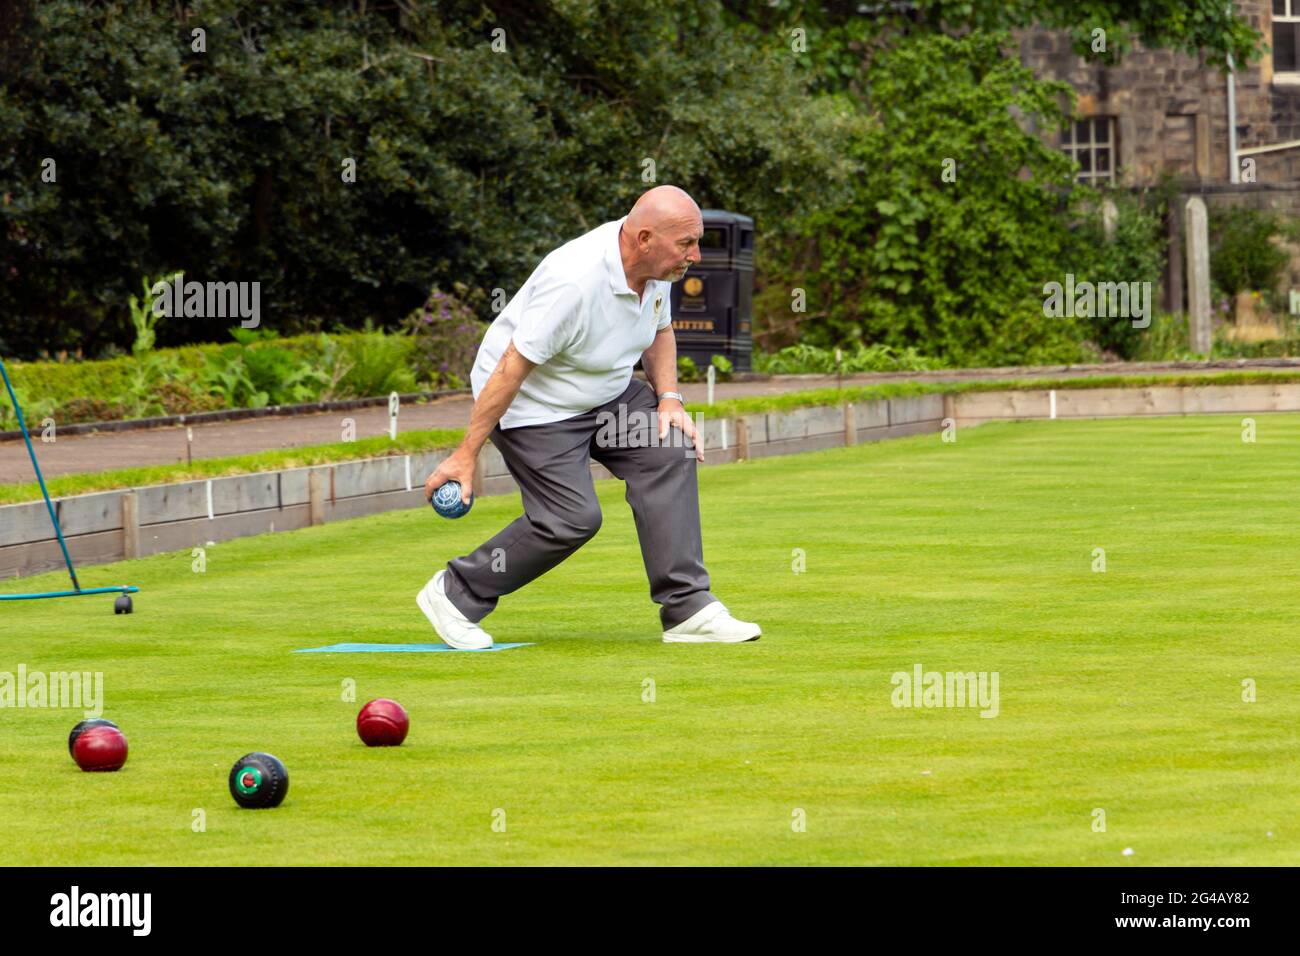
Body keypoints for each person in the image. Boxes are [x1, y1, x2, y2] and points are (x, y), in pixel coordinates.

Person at [417, 185, 761, 648]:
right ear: (643, 238)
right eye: (686, 244)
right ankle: (456, 593)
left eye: (695, 242)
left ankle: (688, 610)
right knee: (571, 518)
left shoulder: (659, 269)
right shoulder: (574, 282)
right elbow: (510, 367)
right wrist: (465, 454)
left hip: (605, 396)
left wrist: (670, 398)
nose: (695, 255)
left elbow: (659, 330)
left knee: (670, 445)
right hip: (535, 407)